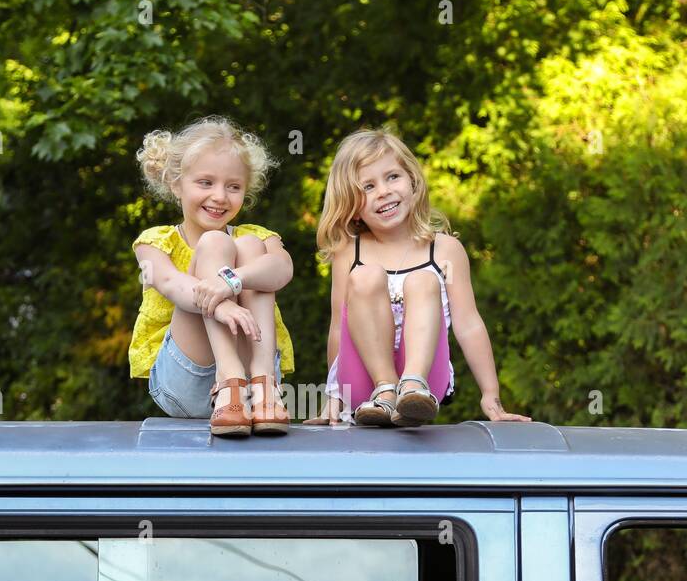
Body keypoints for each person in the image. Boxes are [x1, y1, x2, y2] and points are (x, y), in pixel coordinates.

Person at [306, 127, 531, 427]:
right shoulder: (349, 252)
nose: (383, 191)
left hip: (426, 380)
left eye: (392, 177)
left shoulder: (445, 250)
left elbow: (469, 324)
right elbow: (338, 328)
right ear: (354, 207)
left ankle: (411, 387)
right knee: (366, 278)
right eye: (368, 187)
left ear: (413, 181)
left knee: (424, 280)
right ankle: (385, 388)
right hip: (364, 381)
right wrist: (332, 397)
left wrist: (491, 396)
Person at [130, 116, 295, 436]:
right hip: (184, 380)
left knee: (247, 247)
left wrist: (232, 282)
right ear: (176, 183)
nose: (220, 196)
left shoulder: (258, 237)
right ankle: (228, 377)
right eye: (205, 183)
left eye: (233, 186)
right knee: (215, 243)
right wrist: (222, 304)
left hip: (255, 385)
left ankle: (262, 384)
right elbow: (172, 284)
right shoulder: (155, 242)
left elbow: (282, 269)